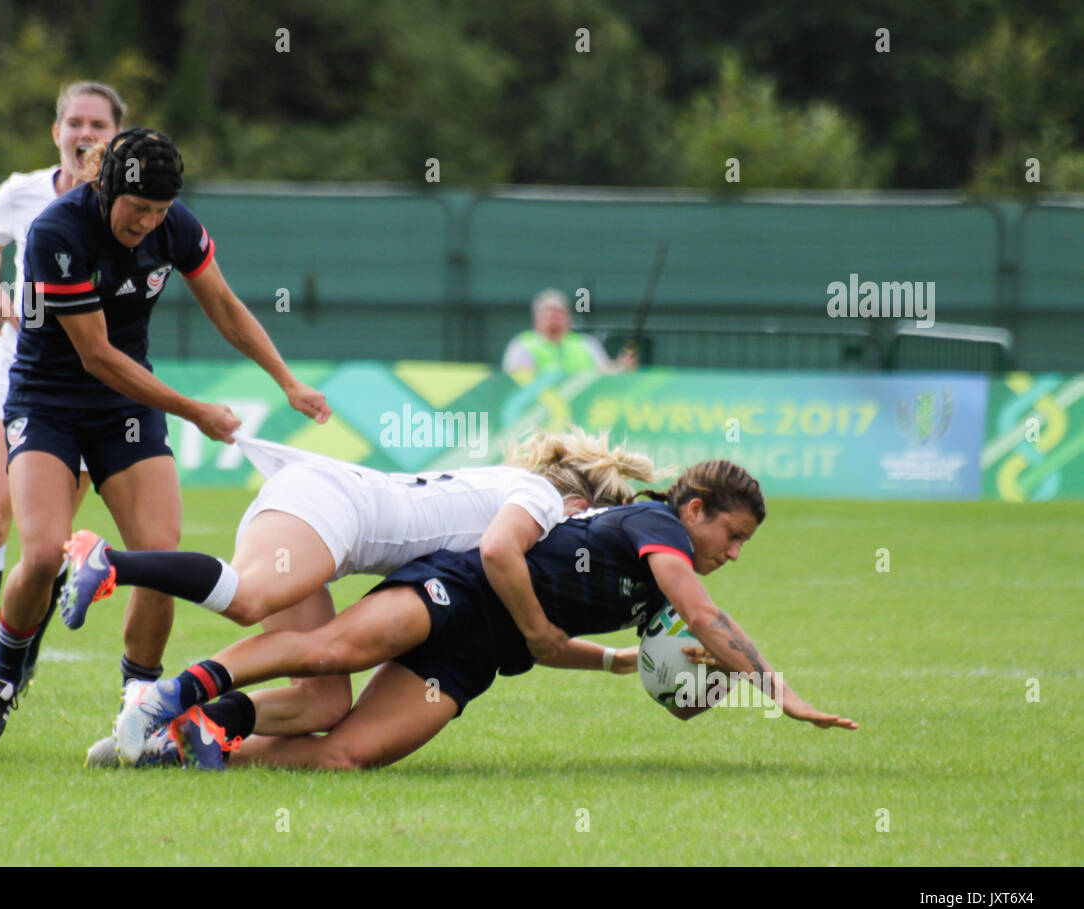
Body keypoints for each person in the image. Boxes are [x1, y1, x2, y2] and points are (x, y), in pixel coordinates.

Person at [111, 459, 856, 772]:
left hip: (472, 661)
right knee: (328, 652)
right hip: (459, 592)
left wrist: (657, 672)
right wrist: (778, 691)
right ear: (694, 510)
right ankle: (178, 691)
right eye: (732, 536)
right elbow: (705, 610)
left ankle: (200, 747)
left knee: (347, 755)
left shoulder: (659, 594)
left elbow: (584, 658)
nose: (734, 552)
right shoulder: (654, 525)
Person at [0, 126, 332, 746]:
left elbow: (223, 305)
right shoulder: (59, 232)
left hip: (124, 411)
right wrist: (195, 412)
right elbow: (98, 356)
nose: (147, 222)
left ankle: (139, 697)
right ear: (108, 189)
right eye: (138, 208)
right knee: (43, 553)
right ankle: (2, 676)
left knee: (160, 557)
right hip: (48, 401)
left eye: (159, 211)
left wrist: (286, 381)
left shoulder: (175, 225)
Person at [63, 427, 664, 765]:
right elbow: (499, 555)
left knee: (321, 703)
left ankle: (170, 742)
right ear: (581, 505)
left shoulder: (523, 492)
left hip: (323, 514)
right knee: (247, 598)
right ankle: (110, 564)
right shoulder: (541, 498)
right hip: (334, 508)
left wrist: (611, 659)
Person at [0, 81, 124, 699]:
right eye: (74, 122)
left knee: (49, 540)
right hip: (13, 368)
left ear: (117, 136)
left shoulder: (130, 208)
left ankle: (15, 664)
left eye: (98, 125)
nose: (85, 134)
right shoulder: (23, 191)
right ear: (56, 132)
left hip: (90, 382)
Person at [501, 288, 637, 385]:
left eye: (559, 313)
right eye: (548, 314)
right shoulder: (523, 344)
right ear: (536, 319)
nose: (553, 318)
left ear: (568, 317)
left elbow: (604, 375)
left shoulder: (586, 344)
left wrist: (621, 367)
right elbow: (515, 383)